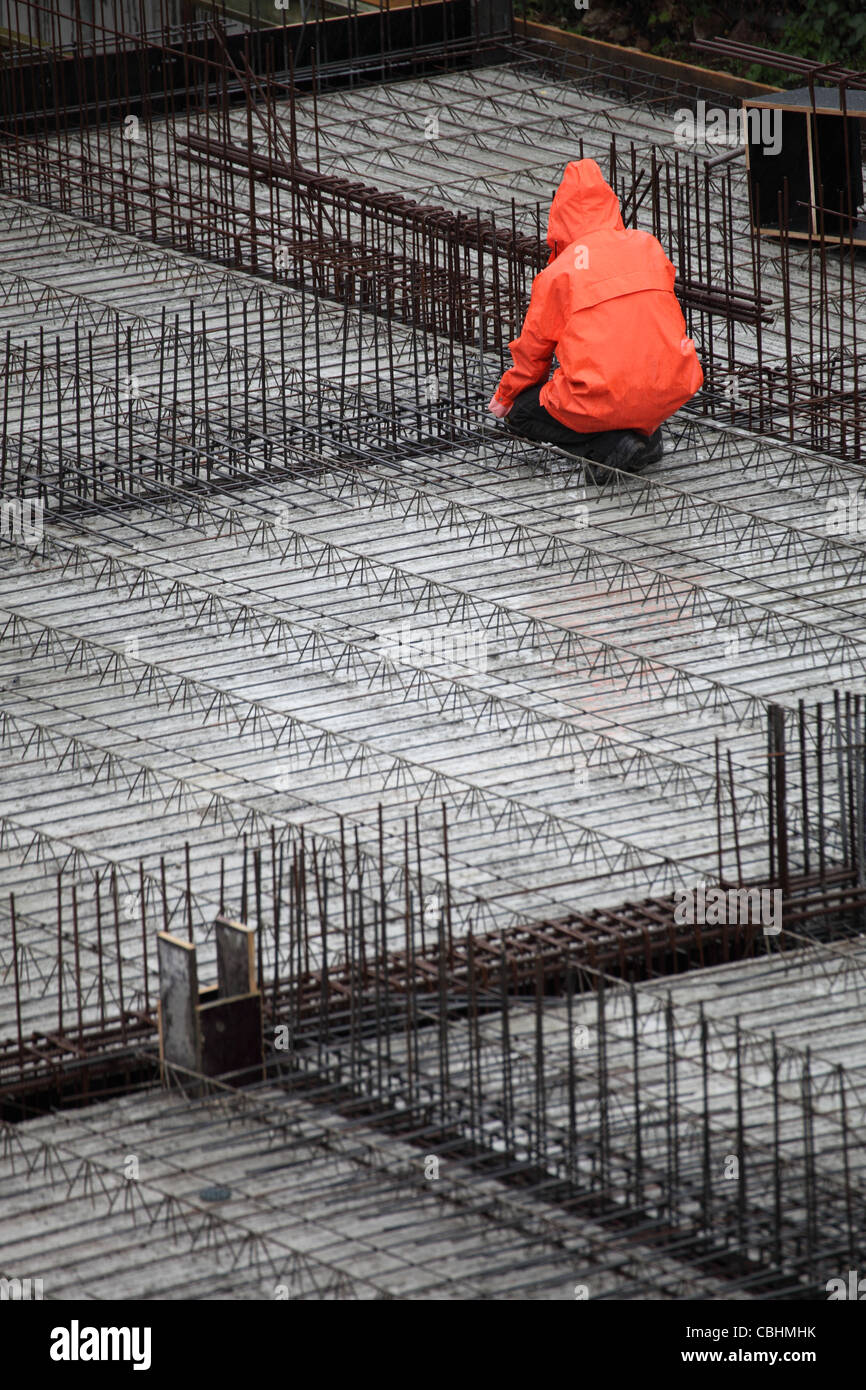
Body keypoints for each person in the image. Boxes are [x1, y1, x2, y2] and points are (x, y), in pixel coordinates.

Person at [488, 159, 703, 479]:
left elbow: (533, 358)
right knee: (626, 383)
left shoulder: (559, 274)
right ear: (610, 208)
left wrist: (505, 398)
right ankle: (645, 435)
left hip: (604, 395)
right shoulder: (648, 247)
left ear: (560, 221)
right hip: (670, 385)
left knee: (522, 414)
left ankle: (610, 446)